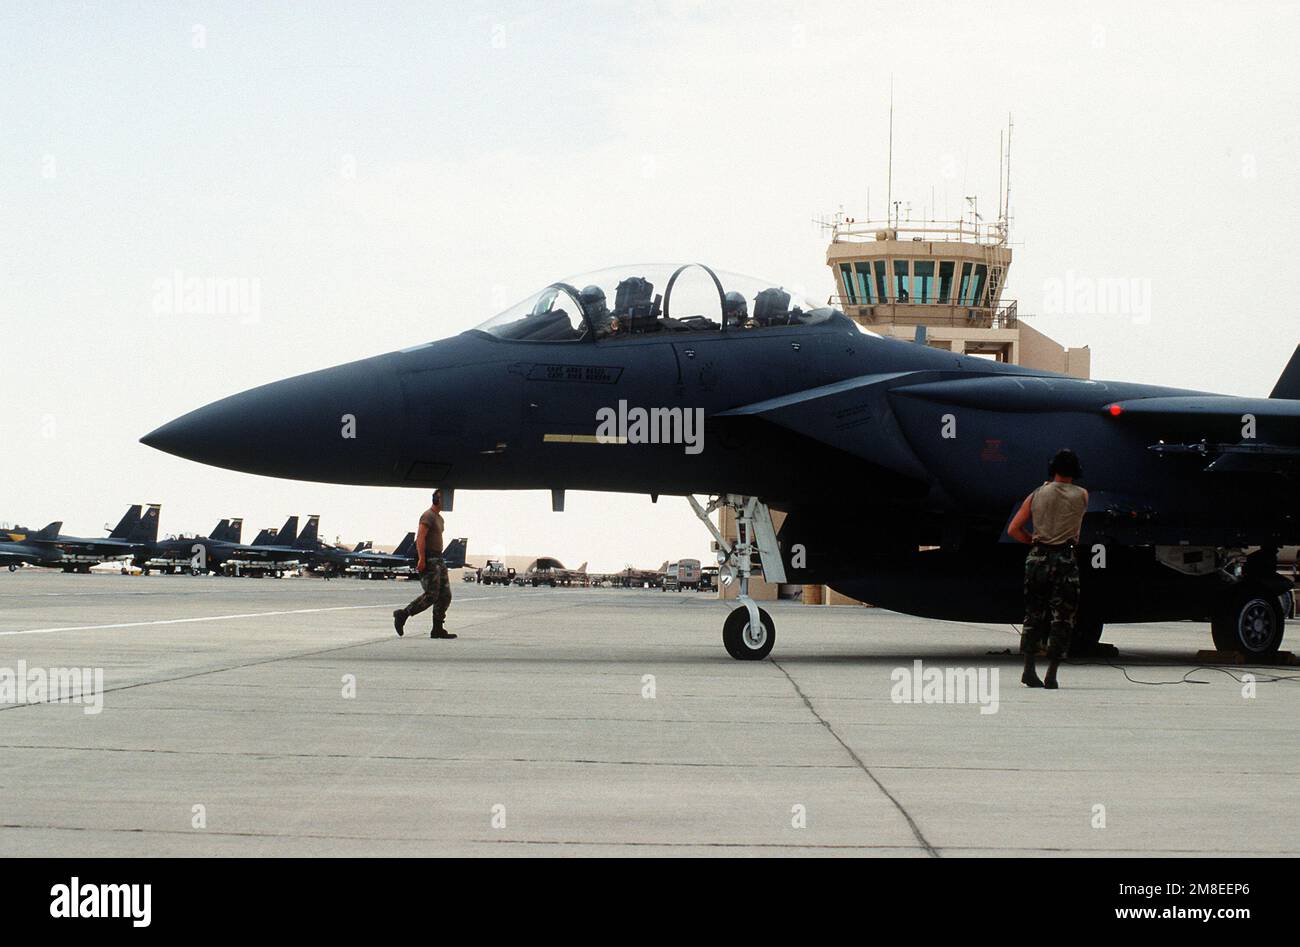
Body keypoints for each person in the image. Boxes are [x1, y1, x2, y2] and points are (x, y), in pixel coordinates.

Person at [1007, 449, 1088, 688]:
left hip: (1038, 556)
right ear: (1076, 471)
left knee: (1034, 614)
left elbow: (1014, 529)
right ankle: (1052, 674)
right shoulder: (1082, 494)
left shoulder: (1037, 493)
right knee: (1062, 617)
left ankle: (1029, 669)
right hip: (1065, 557)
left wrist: (1032, 540)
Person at [392, 490, 455, 639]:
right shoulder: (428, 516)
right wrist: (421, 558)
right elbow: (420, 537)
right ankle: (403, 614)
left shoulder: (440, 518)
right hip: (429, 559)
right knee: (431, 595)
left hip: (439, 559)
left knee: (445, 595)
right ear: (436, 499)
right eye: (444, 498)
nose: (447, 501)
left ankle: (437, 628)